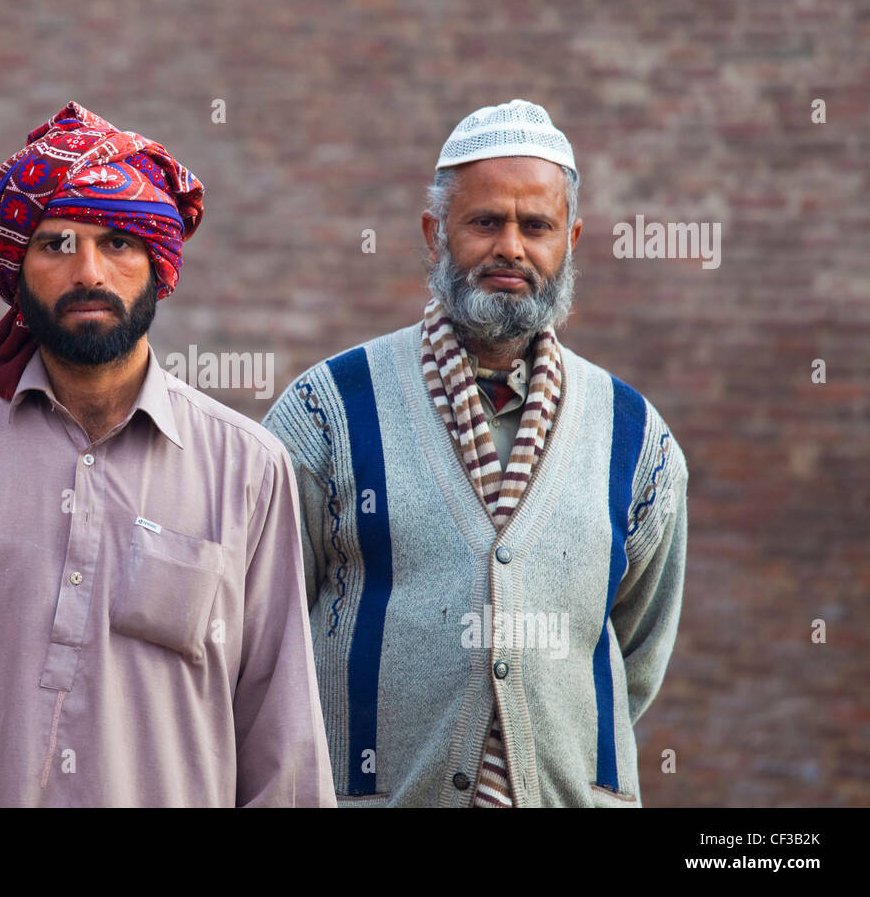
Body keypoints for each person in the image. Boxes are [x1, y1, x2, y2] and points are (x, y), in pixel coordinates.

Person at [0, 102, 335, 807]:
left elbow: (282, 744)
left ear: (156, 263)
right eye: (55, 245)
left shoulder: (248, 470)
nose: (88, 272)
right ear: (16, 271)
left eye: (116, 242)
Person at [261, 99, 689, 807]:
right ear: (436, 234)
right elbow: (266, 633)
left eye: (537, 227)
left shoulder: (637, 439)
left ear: (571, 239)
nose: (511, 249)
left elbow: (637, 657)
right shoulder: (327, 414)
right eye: (485, 222)